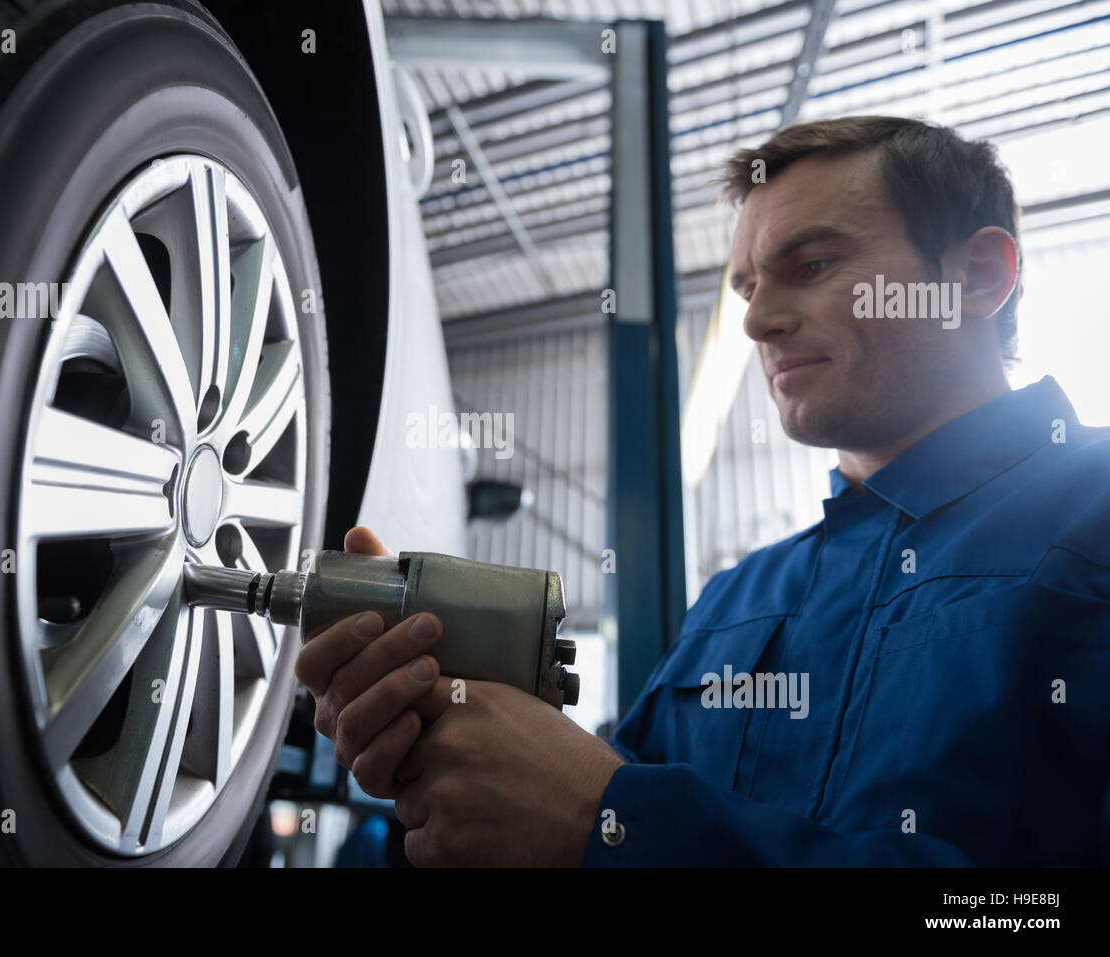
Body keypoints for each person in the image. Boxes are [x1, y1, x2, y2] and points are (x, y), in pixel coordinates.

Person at [295, 116, 1110, 866]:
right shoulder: (737, 603)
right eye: (750, 287)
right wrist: (457, 753)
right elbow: (591, 808)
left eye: (814, 265)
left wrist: (618, 821)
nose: (757, 322)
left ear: (976, 275)